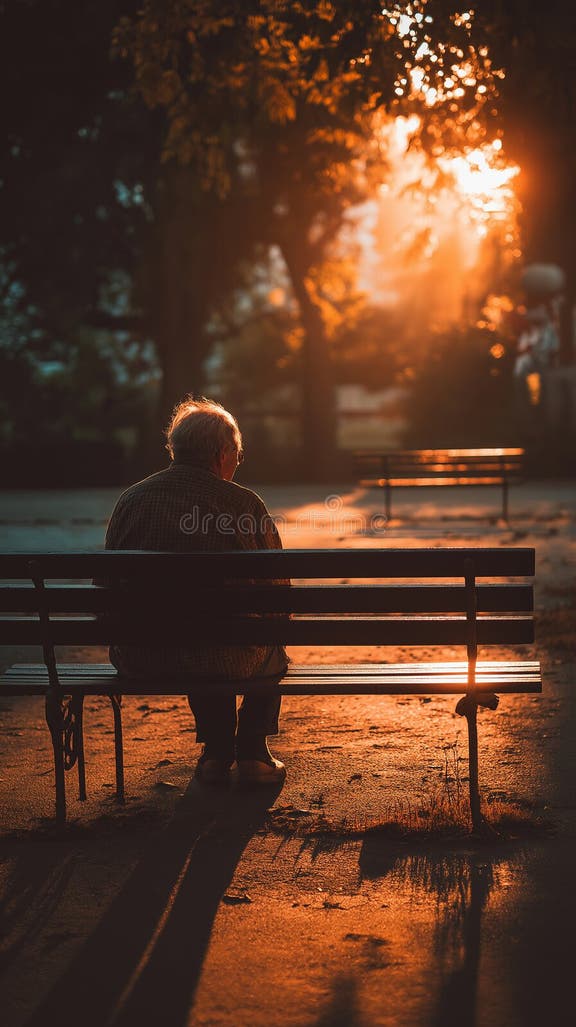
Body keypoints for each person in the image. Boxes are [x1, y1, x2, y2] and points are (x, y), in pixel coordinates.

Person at [103, 396, 289, 786]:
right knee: (255, 639)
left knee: (196, 632)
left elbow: (105, 587)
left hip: (143, 655)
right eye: (237, 455)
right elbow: (279, 591)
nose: (237, 464)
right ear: (222, 453)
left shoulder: (131, 500)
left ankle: (217, 752)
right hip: (227, 655)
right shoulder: (244, 504)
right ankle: (253, 752)